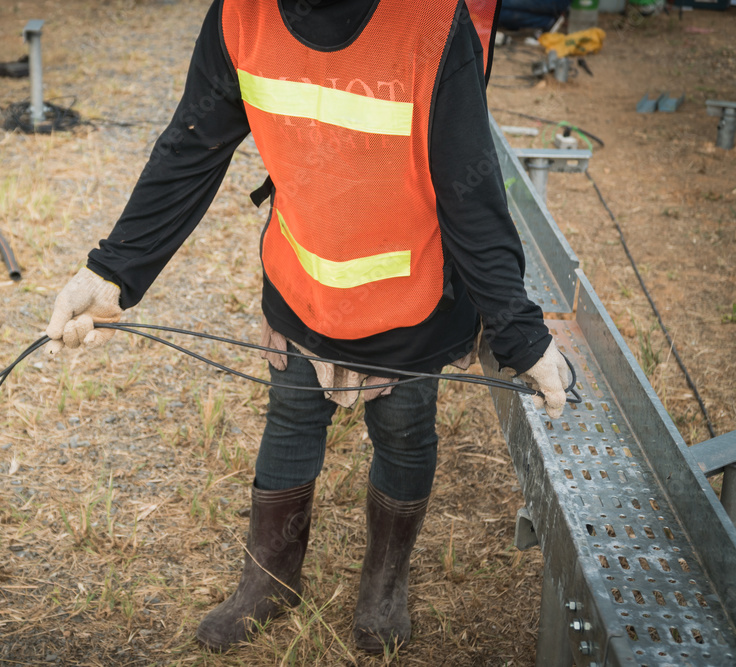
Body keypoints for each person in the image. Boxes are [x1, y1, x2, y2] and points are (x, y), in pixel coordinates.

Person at [44, 0, 571, 655]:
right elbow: (191, 145)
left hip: (411, 303)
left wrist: (522, 336)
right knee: (291, 423)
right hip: (302, 283)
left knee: (404, 434)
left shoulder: (433, 22)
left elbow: (473, 192)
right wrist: (113, 270)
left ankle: (384, 583)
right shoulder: (241, 14)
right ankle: (268, 583)